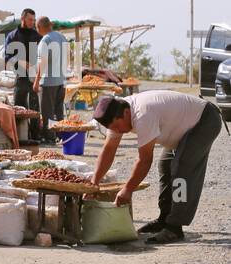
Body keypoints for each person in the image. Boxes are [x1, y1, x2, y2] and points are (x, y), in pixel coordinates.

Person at [91, 92, 223, 244]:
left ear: (126, 113)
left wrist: (128, 189)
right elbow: (108, 150)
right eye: (113, 128)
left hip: (205, 121)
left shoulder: (143, 114)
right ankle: (164, 219)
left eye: (117, 126)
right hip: (185, 126)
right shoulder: (118, 112)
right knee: (165, 165)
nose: (118, 131)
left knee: (181, 170)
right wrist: (94, 182)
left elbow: (144, 160)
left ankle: (174, 227)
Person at [4, 8, 43, 136]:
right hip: (20, 75)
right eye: (30, 19)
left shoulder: (37, 36)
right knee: (19, 107)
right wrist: (20, 61)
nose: (32, 22)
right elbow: (7, 56)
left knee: (34, 106)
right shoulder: (12, 36)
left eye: (33, 20)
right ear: (23, 19)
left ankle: (36, 135)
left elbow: (43, 55)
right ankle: (20, 135)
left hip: (33, 76)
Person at [34, 16, 69, 144]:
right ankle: (62, 135)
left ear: (40, 27)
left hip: (48, 82)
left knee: (47, 112)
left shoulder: (46, 40)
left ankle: (49, 137)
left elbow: (41, 62)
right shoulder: (61, 37)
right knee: (59, 111)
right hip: (61, 80)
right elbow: (67, 56)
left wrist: (37, 81)